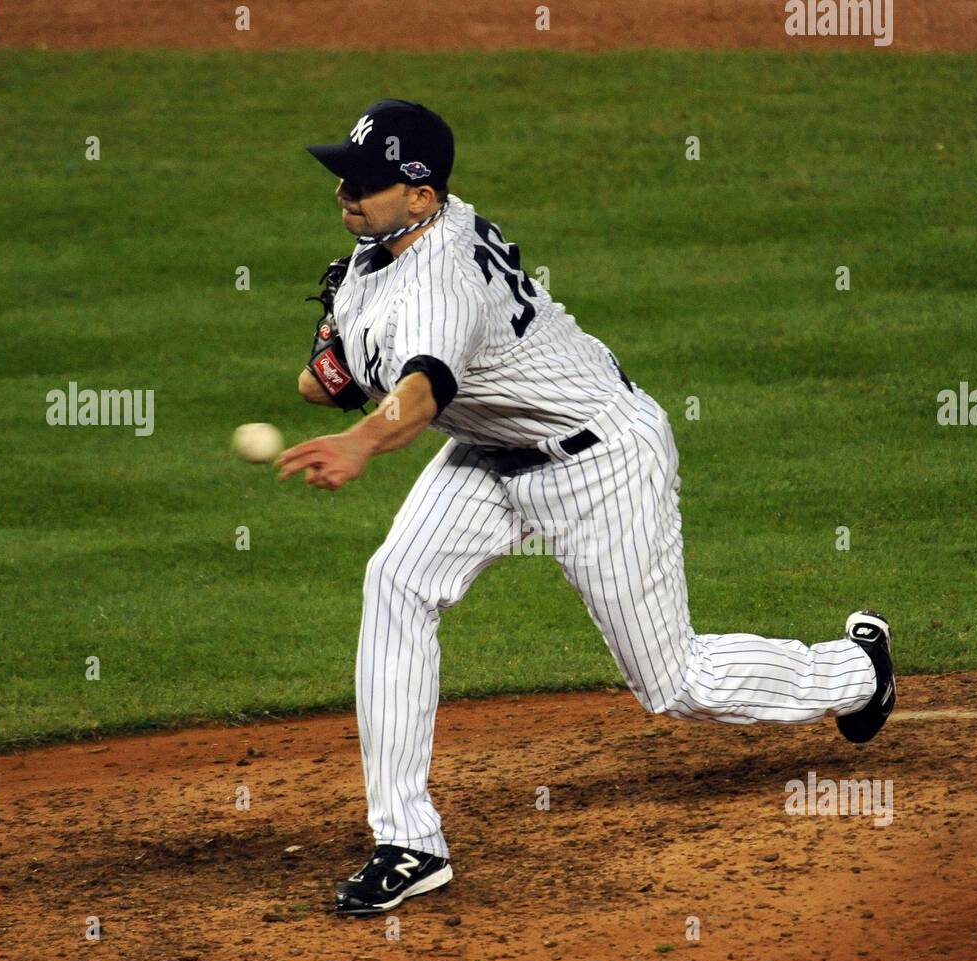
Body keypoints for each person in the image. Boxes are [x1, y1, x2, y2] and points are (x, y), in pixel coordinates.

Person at [279, 99, 896, 915]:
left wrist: (360, 441)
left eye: (369, 181)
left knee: (674, 680)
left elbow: (422, 393)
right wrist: (336, 378)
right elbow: (340, 373)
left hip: (601, 457)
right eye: (343, 176)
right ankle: (408, 842)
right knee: (396, 581)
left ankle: (861, 672)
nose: (346, 191)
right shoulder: (385, 246)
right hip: (491, 452)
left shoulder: (440, 277)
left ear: (424, 196)